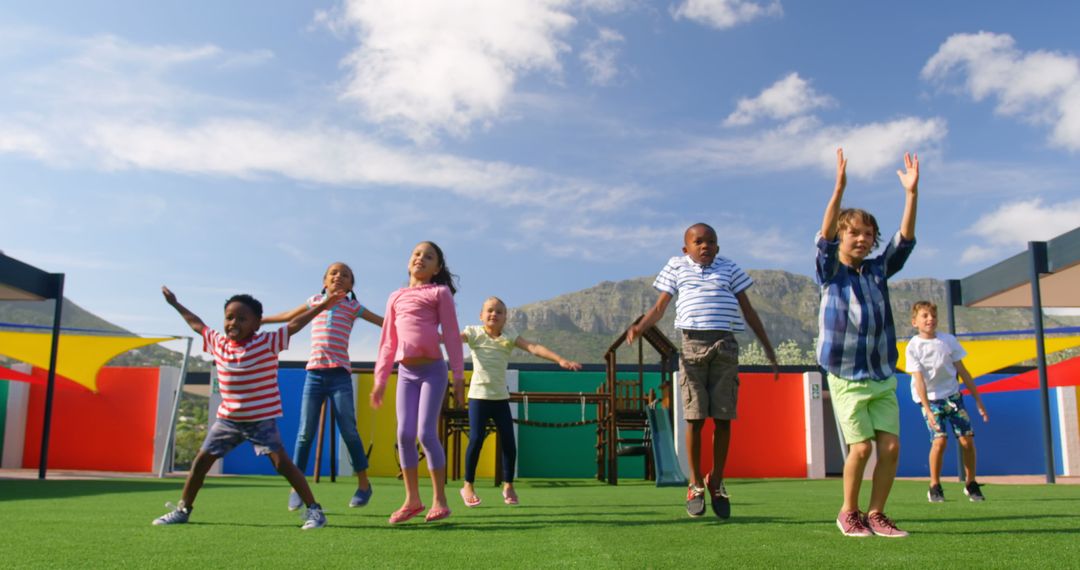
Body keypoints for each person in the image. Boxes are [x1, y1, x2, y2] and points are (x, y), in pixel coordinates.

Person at [154, 286, 343, 529]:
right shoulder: (218, 343)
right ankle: (183, 510)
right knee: (200, 463)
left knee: (282, 464)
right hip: (228, 421)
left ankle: (314, 511)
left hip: (261, 420)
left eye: (242, 318)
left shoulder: (267, 341)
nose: (233, 322)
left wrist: (323, 306)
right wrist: (175, 304)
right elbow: (196, 324)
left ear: (257, 324)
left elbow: (295, 324)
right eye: (229, 317)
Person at [627, 222, 778, 520]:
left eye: (710, 242)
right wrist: (640, 326)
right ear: (686, 249)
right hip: (692, 346)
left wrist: (767, 346)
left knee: (723, 417)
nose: (705, 246)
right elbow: (660, 308)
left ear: (718, 247)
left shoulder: (729, 268)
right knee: (694, 418)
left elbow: (748, 310)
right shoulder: (676, 267)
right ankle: (695, 483)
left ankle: (716, 480)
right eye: (698, 242)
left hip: (725, 347)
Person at [817, 148, 919, 538]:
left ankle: (877, 514)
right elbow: (824, 239)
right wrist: (838, 189)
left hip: (881, 374)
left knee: (890, 448)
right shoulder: (829, 270)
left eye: (867, 234)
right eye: (853, 232)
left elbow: (904, 240)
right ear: (842, 236)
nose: (861, 239)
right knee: (860, 449)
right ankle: (849, 512)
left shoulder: (878, 271)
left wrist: (911, 194)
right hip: (845, 375)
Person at [262, 262, 384, 511]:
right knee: (305, 433)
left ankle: (363, 485)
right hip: (314, 375)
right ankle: (297, 487)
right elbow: (288, 317)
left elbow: (383, 322)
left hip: (339, 376)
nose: (339, 276)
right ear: (325, 281)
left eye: (345, 275)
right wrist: (259, 320)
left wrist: (412, 327)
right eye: (334, 273)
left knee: (349, 430)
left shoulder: (353, 307)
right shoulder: (314, 301)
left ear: (351, 285)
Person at [370, 241, 464, 524]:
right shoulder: (395, 297)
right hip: (407, 374)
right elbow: (388, 342)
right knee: (404, 435)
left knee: (425, 433)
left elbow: (450, 334)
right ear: (409, 261)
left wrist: (458, 377)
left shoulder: (440, 292)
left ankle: (440, 500)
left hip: (433, 371)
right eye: (417, 254)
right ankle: (412, 499)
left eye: (429, 256)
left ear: (437, 269)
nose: (421, 258)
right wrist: (380, 379)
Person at [457, 296, 582, 508]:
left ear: (505, 318)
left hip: (500, 399)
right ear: (481, 316)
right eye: (489, 310)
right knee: (476, 439)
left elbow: (533, 347)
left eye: (499, 312)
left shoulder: (509, 336)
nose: (493, 314)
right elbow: (450, 338)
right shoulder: (473, 333)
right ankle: (468, 484)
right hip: (478, 397)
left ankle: (508, 485)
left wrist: (560, 360)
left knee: (508, 442)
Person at [905, 300, 989, 503]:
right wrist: (928, 409)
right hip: (930, 400)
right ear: (914, 321)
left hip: (953, 398)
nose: (930, 319)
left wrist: (978, 401)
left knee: (967, 440)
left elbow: (963, 372)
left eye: (933, 315)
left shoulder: (948, 341)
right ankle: (934, 486)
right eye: (925, 316)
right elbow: (919, 381)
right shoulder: (913, 346)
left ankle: (971, 484)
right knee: (940, 441)